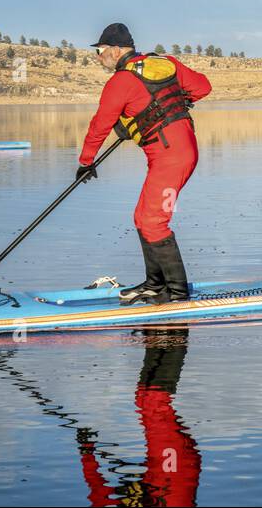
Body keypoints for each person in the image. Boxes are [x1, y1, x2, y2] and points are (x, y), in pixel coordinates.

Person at [76, 23, 212, 304]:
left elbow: (100, 125)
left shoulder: (120, 82)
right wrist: (170, 101)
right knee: (142, 218)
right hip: (176, 154)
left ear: (115, 50)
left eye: (100, 51)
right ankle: (154, 285)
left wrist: (86, 161)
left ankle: (177, 294)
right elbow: (202, 87)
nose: (98, 57)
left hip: (172, 159)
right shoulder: (165, 63)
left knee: (154, 222)